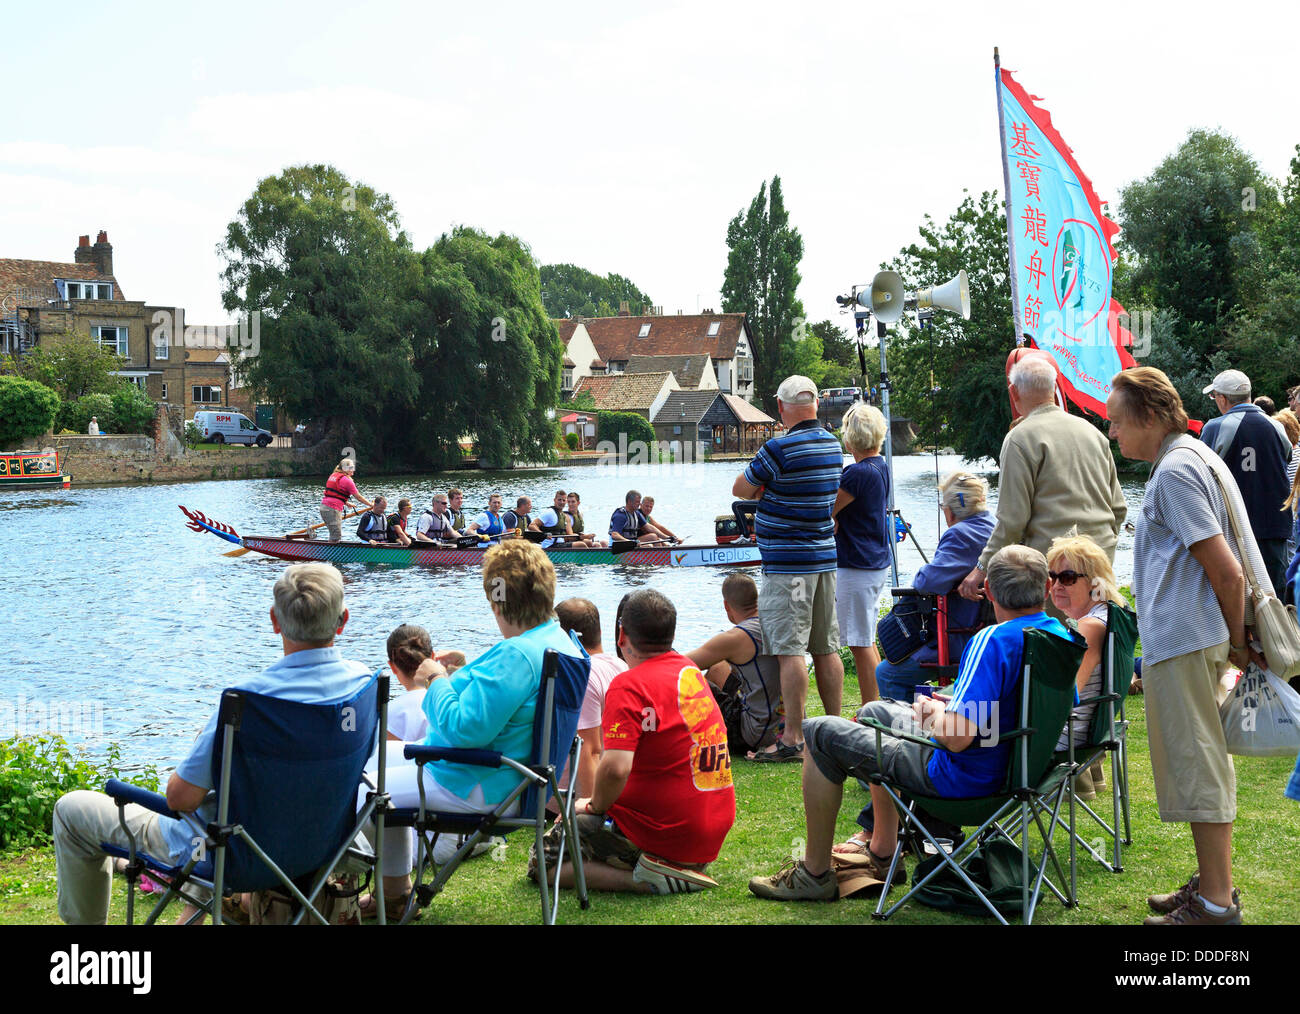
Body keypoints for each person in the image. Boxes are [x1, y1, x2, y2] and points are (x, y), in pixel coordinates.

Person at [53, 563, 373, 924]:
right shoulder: (365, 686)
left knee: (71, 809)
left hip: (236, 856)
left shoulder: (249, 701)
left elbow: (179, 799)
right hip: (324, 845)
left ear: (275, 620)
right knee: (223, 802)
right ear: (342, 620)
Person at [747, 546, 1070, 901]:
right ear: (1045, 587)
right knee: (874, 711)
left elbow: (958, 738)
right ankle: (884, 852)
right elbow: (1031, 706)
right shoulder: (1060, 637)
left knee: (819, 731)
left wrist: (934, 716)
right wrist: (953, 705)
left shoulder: (993, 639)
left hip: (963, 781)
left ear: (988, 590)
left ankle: (813, 873)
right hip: (1018, 773)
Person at [359, 540, 585, 920]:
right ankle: (395, 892)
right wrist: (463, 669)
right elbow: (505, 696)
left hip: (479, 781)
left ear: (497, 601)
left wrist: (435, 680)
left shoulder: (518, 654)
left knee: (362, 789)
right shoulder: (558, 640)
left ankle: (382, 893)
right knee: (372, 759)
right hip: (514, 777)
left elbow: (467, 729)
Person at [1107, 365, 1252, 925]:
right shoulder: (1194, 455)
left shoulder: (1174, 471)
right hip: (1191, 640)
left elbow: (1227, 572)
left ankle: (1216, 905)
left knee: (1199, 771)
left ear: (1148, 415)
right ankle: (1213, 886)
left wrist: (1237, 646)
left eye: (1118, 423)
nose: (1114, 435)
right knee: (1201, 768)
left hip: (1189, 642)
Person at [530, 589, 736, 895]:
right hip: (706, 835)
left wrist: (594, 804)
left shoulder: (630, 685)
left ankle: (646, 879)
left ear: (622, 634)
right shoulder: (689, 670)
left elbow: (615, 769)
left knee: (542, 862)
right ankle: (667, 868)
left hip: (665, 835)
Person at [732, 375, 845, 762]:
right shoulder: (834, 445)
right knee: (826, 647)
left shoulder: (778, 448)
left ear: (780, 408)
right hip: (825, 560)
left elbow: (741, 489)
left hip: (789, 566)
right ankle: (837, 729)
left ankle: (793, 738)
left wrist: (768, 489)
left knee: (790, 649)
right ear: (814, 403)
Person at [959, 356, 1126, 604]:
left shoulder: (1019, 438)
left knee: (1058, 640)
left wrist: (981, 568)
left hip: (1057, 570)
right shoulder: (1093, 433)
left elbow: (1012, 521)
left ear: (1013, 392)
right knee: (1097, 635)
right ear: (1054, 387)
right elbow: (1119, 509)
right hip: (1101, 559)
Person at [1045, 531, 1128, 800]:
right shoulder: (1113, 614)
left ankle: (947, 832)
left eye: (1067, 578)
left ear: (1094, 583)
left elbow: (1064, 696)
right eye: (1052, 577)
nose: (1056, 585)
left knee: (960, 731)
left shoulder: (1089, 627)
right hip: (1088, 733)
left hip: (1062, 739)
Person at [1201, 369, 1292, 596]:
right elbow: (1287, 458)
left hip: (1235, 528)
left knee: (1236, 596)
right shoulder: (1277, 426)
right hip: (1275, 524)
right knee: (1273, 597)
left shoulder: (1216, 426)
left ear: (1222, 398)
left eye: (1214, 397)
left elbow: (1199, 472)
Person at [833, 402, 892, 705]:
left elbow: (826, 512)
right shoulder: (880, 465)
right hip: (874, 560)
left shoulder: (855, 473)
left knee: (858, 642)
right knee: (866, 637)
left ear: (849, 438)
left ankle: (871, 709)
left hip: (856, 564)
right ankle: (878, 702)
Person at [686, 573, 783, 756]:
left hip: (754, 734)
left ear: (726, 605)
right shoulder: (777, 624)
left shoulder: (736, 637)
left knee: (693, 678)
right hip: (787, 727)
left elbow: (678, 665)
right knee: (719, 665)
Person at [554, 597, 628, 797]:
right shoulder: (621, 666)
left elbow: (588, 750)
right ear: (600, 632)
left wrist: (586, 811)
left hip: (568, 793)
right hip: (611, 784)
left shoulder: (582, 676)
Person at [320, 459, 374, 542]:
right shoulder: (347, 480)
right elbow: (358, 497)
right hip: (332, 509)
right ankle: (332, 554)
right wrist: (370, 504)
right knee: (336, 536)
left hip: (325, 507)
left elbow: (334, 494)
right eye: (351, 467)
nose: (353, 469)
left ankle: (332, 551)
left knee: (334, 534)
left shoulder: (334, 475)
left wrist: (346, 503)